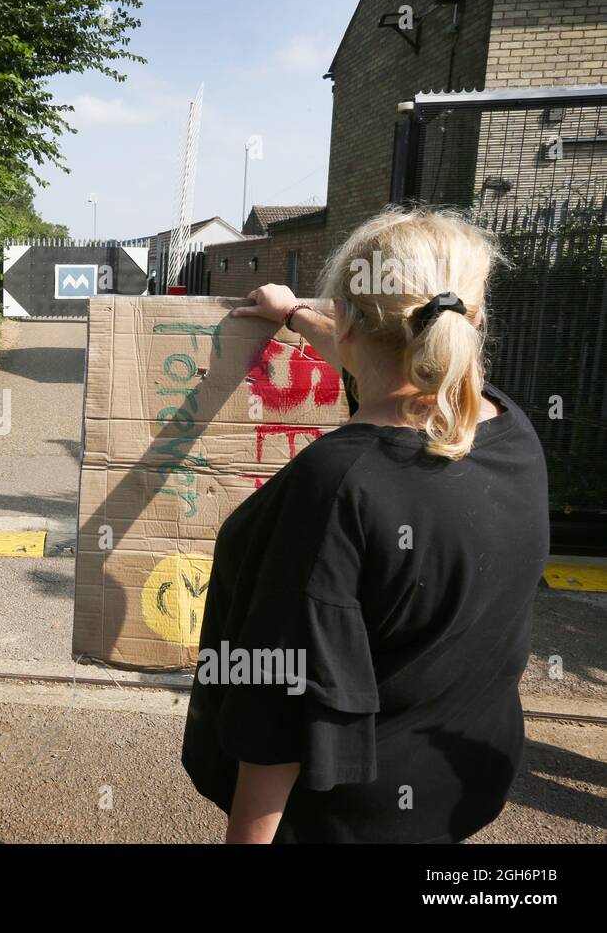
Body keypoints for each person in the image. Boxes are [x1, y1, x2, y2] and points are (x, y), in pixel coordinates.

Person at [180, 208, 550, 843]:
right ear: (472, 321)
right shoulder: (507, 428)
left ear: (347, 319)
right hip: (456, 783)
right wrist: (293, 312)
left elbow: (281, 701)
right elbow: (397, 366)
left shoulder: (334, 487)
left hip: (347, 817)